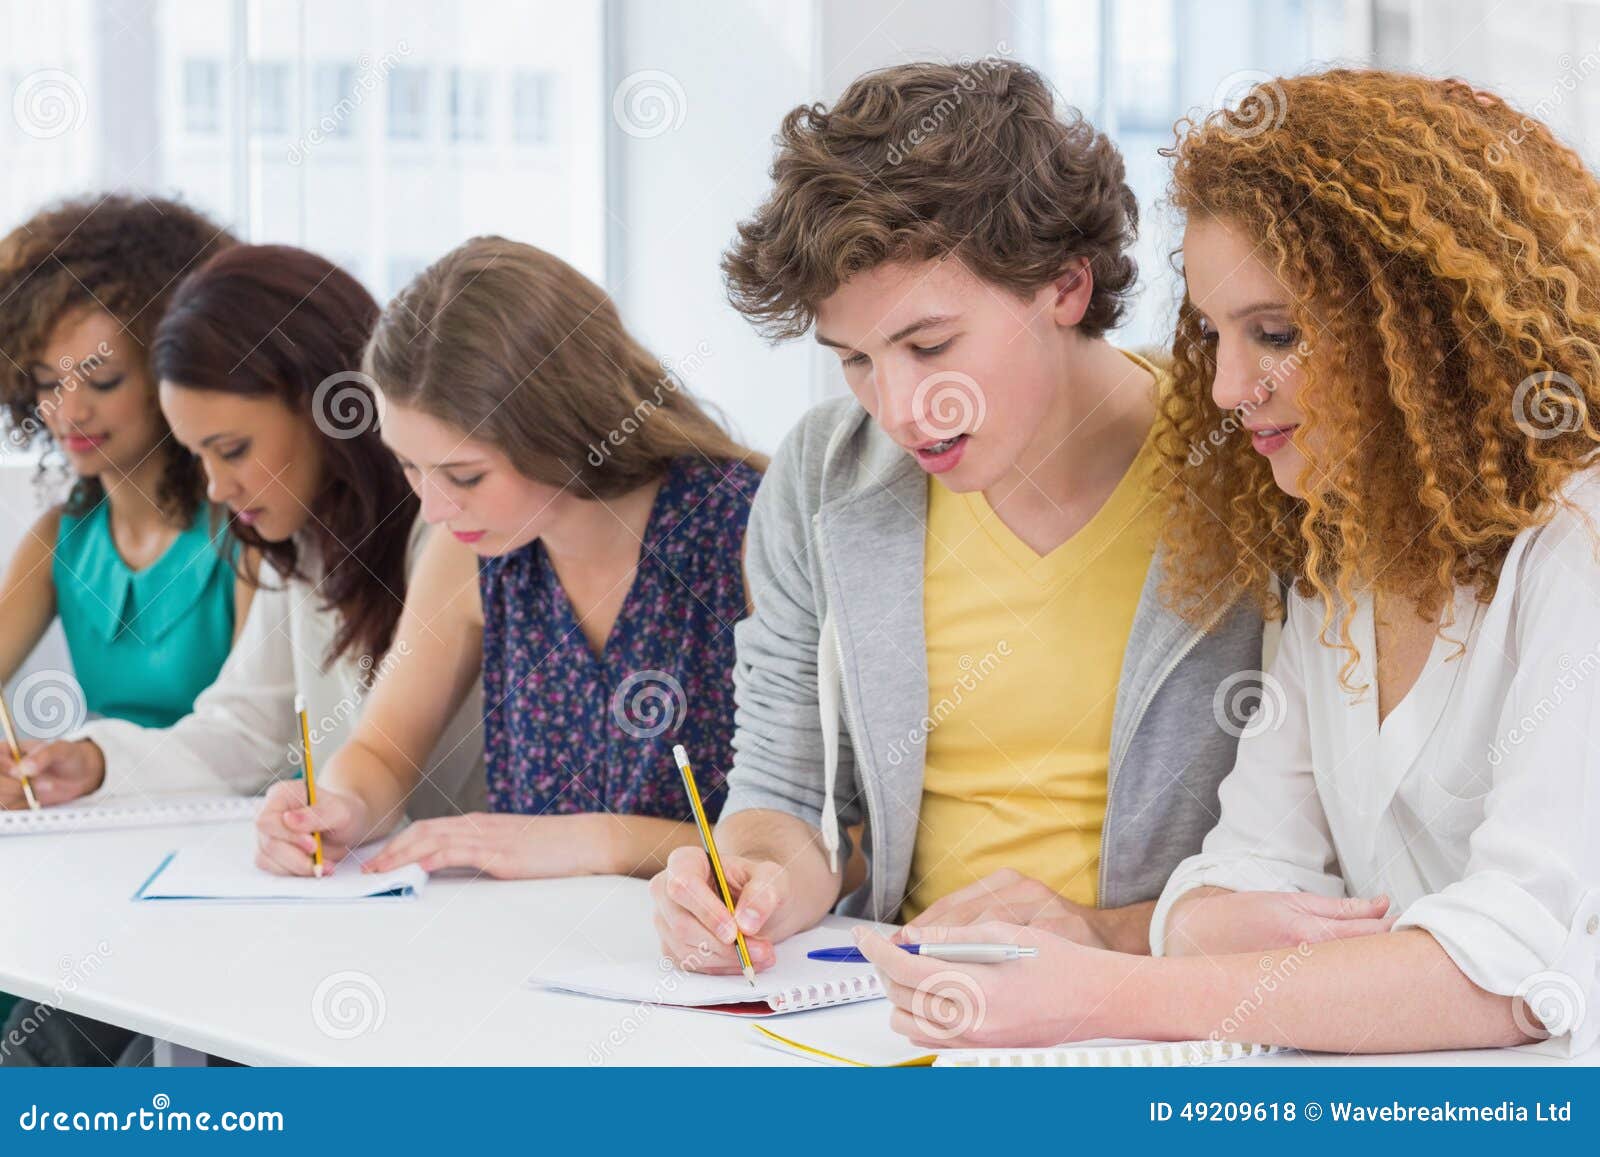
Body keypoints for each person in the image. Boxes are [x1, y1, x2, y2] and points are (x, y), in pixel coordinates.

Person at [858, 69, 1600, 1058]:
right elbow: (1233, 877)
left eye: (1275, 333)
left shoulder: (1575, 540)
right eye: (1212, 334)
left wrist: (1107, 991)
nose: (1225, 387)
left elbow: (1510, 963)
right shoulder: (1337, 560)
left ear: (1421, 326)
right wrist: (1206, 932)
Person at [650, 60, 1266, 976]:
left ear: (1064, 285)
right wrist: (751, 880)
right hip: (906, 1002)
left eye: (929, 344)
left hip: (1171, 1011)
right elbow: (783, 788)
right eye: (854, 358)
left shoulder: (1249, 455)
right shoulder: (823, 476)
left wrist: (1107, 934)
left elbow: (1322, 858)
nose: (898, 408)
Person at [0, 244, 485, 1067]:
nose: (217, 490)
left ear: (325, 403)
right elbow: (245, 730)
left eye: (231, 449)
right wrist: (93, 762)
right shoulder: (306, 541)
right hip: (338, 905)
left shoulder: (454, 532)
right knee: (55, 1033)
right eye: (199, 458)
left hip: (442, 931)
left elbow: (400, 768)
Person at [253, 237, 765, 882]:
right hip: (532, 951)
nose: (434, 509)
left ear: (565, 430)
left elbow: (833, 849)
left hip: (732, 960)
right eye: (409, 465)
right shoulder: (467, 553)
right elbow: (381, 753)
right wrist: (338, 807)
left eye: (464, 476)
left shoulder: (747, 536)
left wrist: (600, 842)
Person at [0, 194, 247, 756]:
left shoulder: (244, 537)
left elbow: (253, 737)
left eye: (102, 381)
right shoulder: (57, 543)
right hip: (105, 822)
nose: (68, 412)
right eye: (44, 382)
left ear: (171, 377)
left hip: (235, 825)